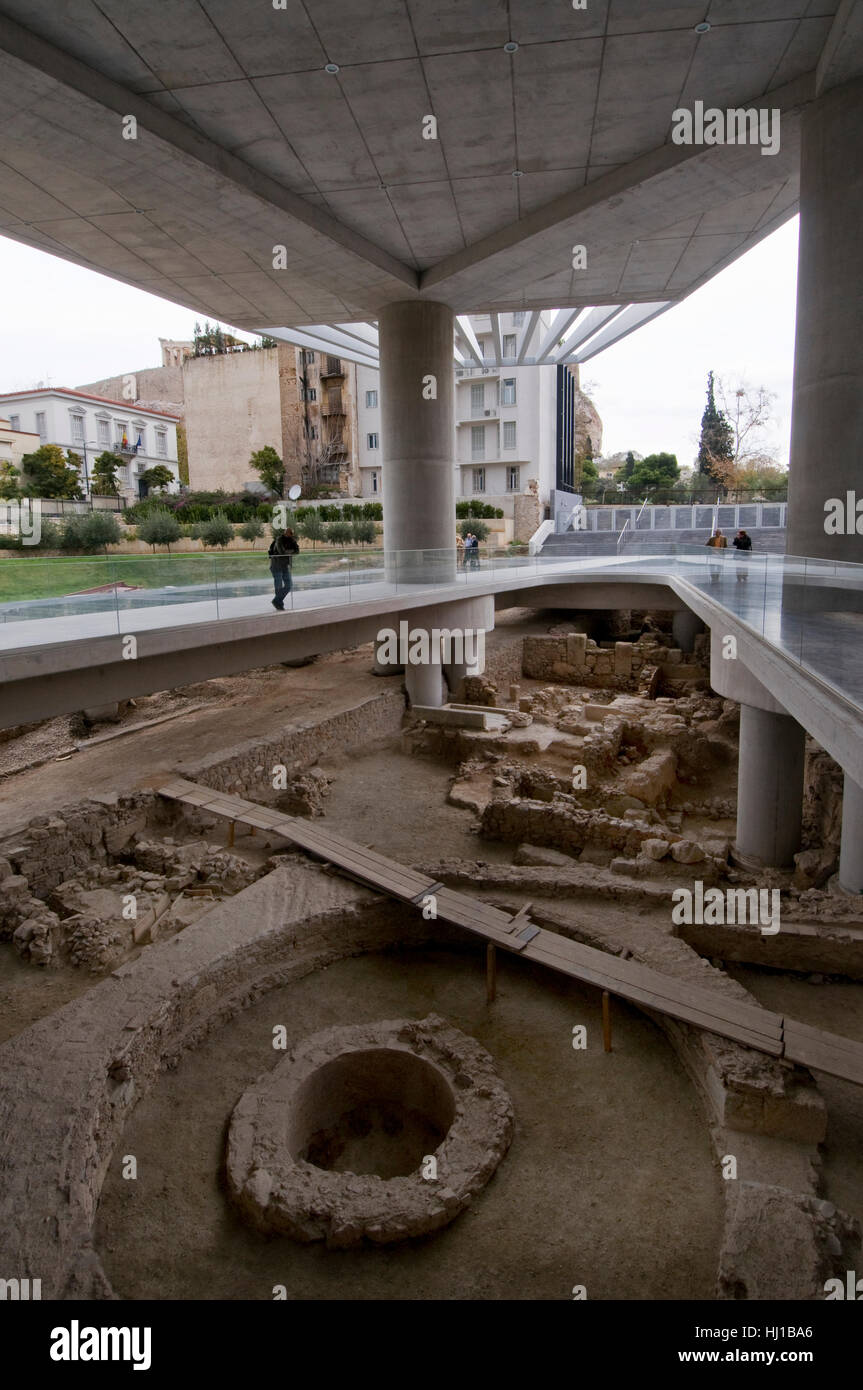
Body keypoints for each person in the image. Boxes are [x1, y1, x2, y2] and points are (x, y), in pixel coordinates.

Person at [268, 526, 299, 610]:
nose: (291, 535)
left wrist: (288, 551)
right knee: (278, 587)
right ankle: (279, 604)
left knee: (289, 585)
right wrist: (291, 551)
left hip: (285, 566)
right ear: (286, 532)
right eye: (290, 533)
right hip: (276, 565)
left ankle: (276, 601)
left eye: (292, 533)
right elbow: (282, 552)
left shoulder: (292, 540)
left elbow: (297, 551)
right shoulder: (279, 540)